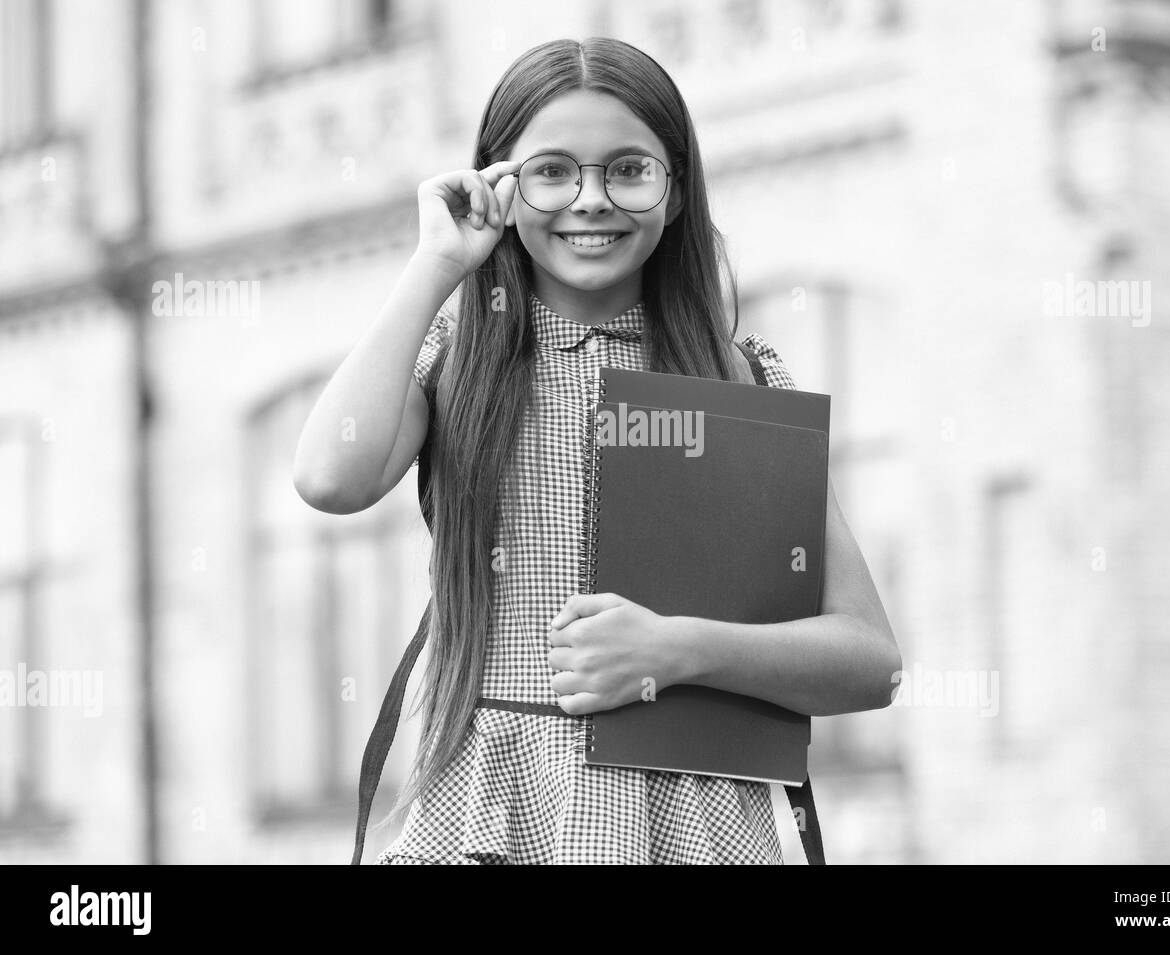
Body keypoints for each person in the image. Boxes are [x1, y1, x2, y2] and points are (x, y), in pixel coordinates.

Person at [293, 36, 900, 864]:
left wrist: (679, 649)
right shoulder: (453, 364)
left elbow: (870, 660)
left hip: (695, 829)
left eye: (628, 169)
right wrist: (436, 265)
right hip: (489, 817)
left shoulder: (736, 379)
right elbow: (328, 477)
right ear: (498, 186)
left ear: (675, 190)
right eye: (551, 171)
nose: (590, 200)